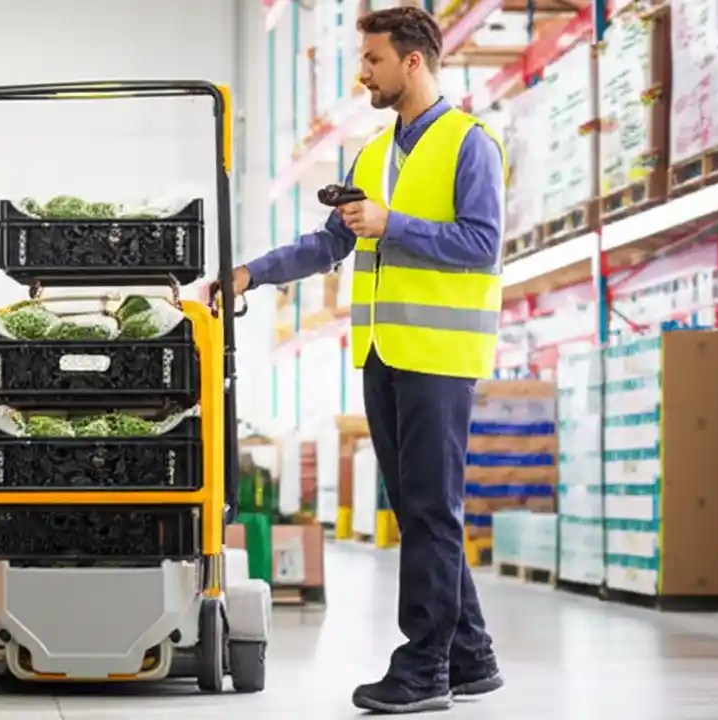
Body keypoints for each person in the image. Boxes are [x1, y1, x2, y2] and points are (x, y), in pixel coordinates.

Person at [219, 6, 507, 714]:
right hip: (381, 353)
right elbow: (329, 244)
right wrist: (249, 274)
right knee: (417, 512)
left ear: (414, 61)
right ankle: (472, 658)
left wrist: (392, 225)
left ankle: (424, 669)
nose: (362, 73)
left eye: (373, 59)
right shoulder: (373, 155)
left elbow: (481, 244)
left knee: (432, 511)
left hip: (440, 356)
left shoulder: (471, 143)